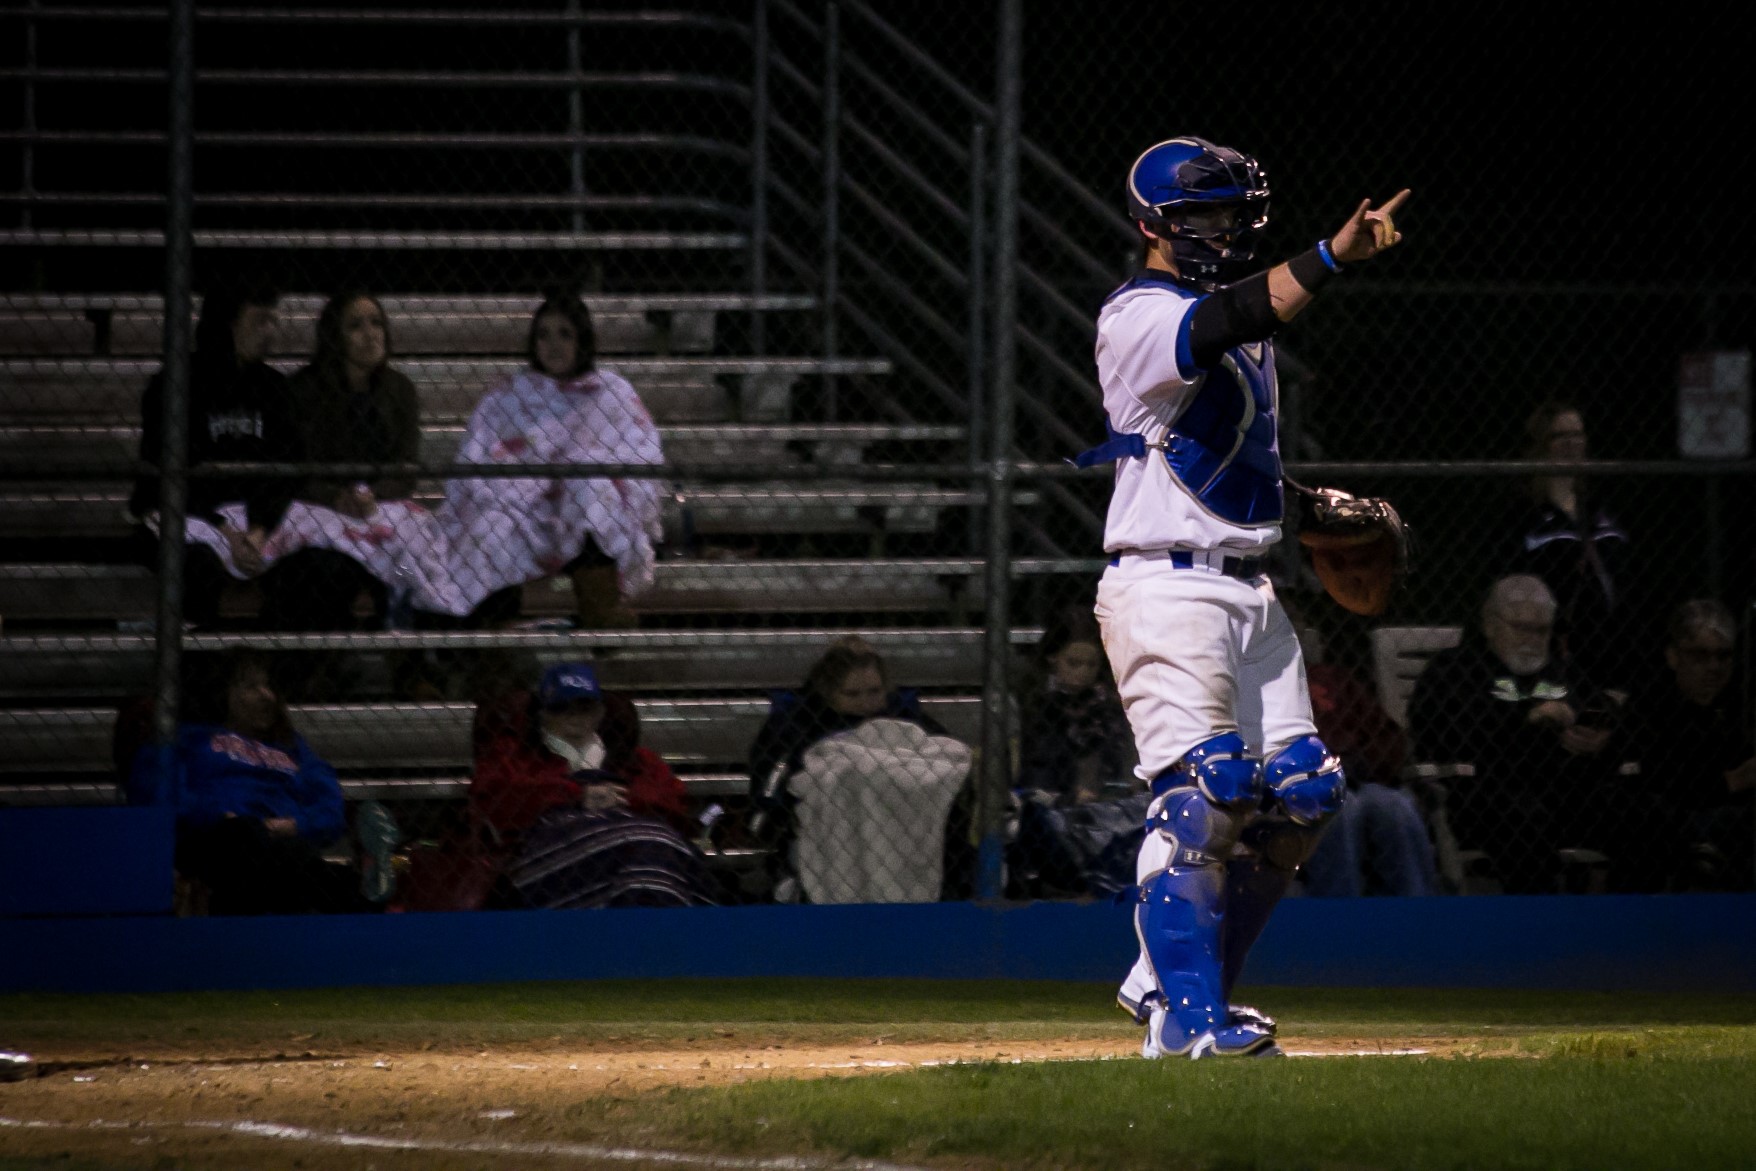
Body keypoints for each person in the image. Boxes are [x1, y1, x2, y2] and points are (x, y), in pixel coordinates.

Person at [1076, 136, 1408, 1058]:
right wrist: (1333, 254)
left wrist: (1304, 508)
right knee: (1204, 795)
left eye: (1231, 217)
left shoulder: (1234, 321)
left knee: (1300, 793)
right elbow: (1226, 319)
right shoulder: (1138, 313)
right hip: (1165, 586)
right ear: (1153, 226)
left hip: (1248, 588)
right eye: (1203, 218)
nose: (1220, 232)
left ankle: (1183, 983)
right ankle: (1181, 1025)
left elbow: (1219, 452)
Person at [446, 290, 665, 630]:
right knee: (489, 527)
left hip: (584, 513)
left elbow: (642, 455)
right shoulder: (508, 394)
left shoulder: (612, 393)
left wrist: (579, 469)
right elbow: (474, 461)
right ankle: (495, 647)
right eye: (543, 335)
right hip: (522, 510)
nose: (553, 344)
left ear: (583, 339)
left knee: (590, 485)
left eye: (565, 334)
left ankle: (600, 612)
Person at [123, 650, 395, 915]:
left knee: (287, 855)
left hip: (281, 840)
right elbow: (158, 792)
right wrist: (215, 816)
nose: (268, 696)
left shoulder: (292, 748)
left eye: (268, 686)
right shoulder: (187, 738)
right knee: (253, 841)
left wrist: (295, 824)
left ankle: (356, 890)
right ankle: (360, 890)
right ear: (223, 692)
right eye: (251, 686)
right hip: (217, 840)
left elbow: (329, 806)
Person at [1406, 575, 1621, 894]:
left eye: (1542, 631)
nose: (1532, 640)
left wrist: (1598, 735)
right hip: (1485, 795)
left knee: (1636, 810)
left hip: (1564, 791)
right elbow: (1449, 737)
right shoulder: (1454, 671)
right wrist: (1527, 720)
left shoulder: (1559, 671)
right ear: (1490, 625)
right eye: (1521, 628)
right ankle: (1538, 926)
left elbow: (1597, 705)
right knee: (1526, 819)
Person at [127, 286, 304, 628]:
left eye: (273, 321)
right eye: (259, 321)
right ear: (228, 324)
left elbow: (288, 467)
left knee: (308, 569)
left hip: (253, 521)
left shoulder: (274, 388)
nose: (269, 331)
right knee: (199, 567)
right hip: (189, 514)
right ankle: (207, 674)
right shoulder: (177, 383)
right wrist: (224, 530)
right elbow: (165, 473)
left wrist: (259, 527)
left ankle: (273, 675)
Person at [469, 661, 712, 909]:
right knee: (649, 847)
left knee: (651, 846)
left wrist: (623, 798)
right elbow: (498, 798)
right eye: (560, 707)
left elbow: (672, 802)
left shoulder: (637, 758)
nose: (574, 715)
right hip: (550, 845)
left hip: (637, 838)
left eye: (584, 706)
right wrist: (577, 795)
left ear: (600, 712)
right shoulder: (514, 754)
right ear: (541, 713)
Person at [747, 638, 969, 904]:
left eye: (874, 692)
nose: (865, 703)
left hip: (906, 823)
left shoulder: (905, 716)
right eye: (852, 694)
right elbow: (771, 787)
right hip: (833, 824)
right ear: (828, 691)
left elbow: (941, 760)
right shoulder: (797, 725)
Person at [276, 291, 423, 633]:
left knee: (408, 561)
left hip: (379, 510)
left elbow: (406, 469)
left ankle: (410, 668)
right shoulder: (304, 390)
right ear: (335, 337)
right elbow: (294, 469)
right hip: (322, 514)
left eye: (376, 323)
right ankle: (324, 669)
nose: (371, 333)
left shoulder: (399, 390)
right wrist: (336, 497)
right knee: (324, 572)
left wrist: (370, 495)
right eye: (356, 326)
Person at [1292, 619, 1441, 898]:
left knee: (1395, 806)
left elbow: (1387, 737)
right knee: (1341, 809)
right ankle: (1340, 917)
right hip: (1298, 788)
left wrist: (1362, 761)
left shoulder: (1332, 681)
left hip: (1359, 778)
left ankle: (1417, 912)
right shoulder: (1250, 688)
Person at [1010, 609, 1147, 899]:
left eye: (1091, 665)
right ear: (1053, 658)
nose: (1082, 673)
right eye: (1074, 663)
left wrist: (1124, 784)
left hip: (1106, 802)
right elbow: (1024, 765)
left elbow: (1125, 759)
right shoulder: (1031, 703)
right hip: (1050, 799)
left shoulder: (1107, 706)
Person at [1620, 600, 1754, 891]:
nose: (1714, 667)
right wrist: (1732, 781)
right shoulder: (1647, 707)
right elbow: (1651, 784)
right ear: (1673, 657)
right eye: (1700, 655)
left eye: (1723, 656)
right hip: (1663, 830)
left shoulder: (1736, 709)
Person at [1506, 402, 1634, 690]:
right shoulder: (1528, 514)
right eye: (1560, 436)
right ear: (1543, 444)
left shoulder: (1601, 508)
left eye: (1578, 434)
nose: (1572, 443)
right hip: (1557, 648)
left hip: (1613, 646)